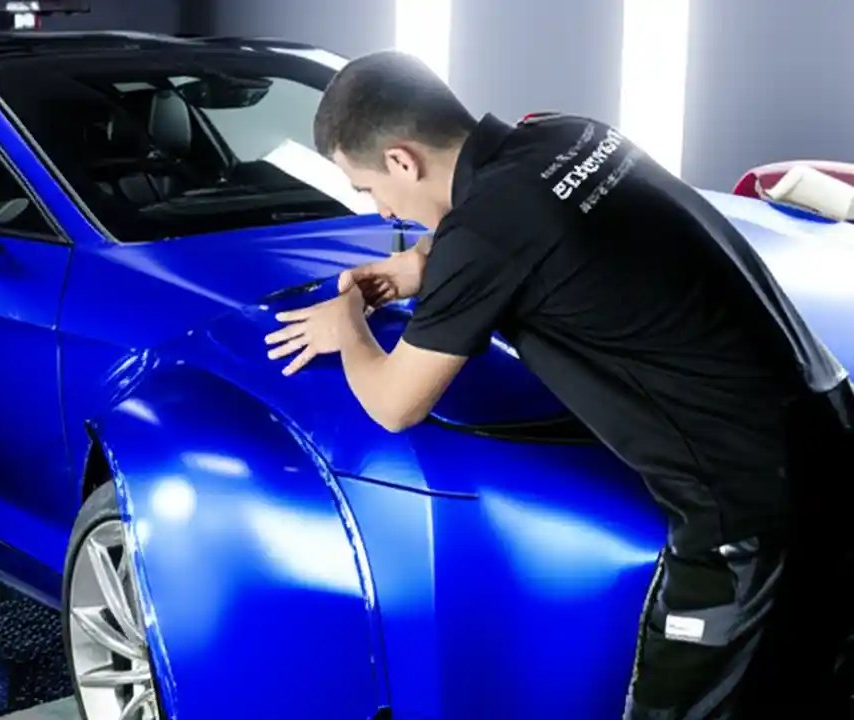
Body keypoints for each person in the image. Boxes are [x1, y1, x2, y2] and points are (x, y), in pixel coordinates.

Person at [265, 50, 854, 718]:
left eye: (370, 190)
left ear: (402, 160)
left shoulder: (486, 231)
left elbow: (394, 402)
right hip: (829, 431)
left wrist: (349, 326)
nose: (378, 210)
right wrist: (419, 268)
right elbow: (545, 226)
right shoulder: (567, 134)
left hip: (749, 508)